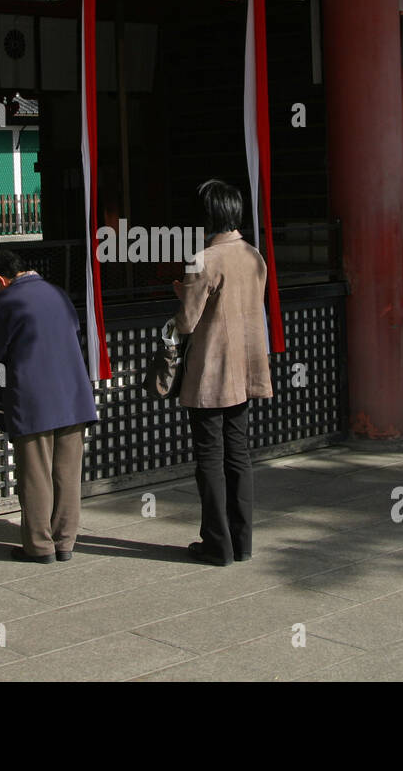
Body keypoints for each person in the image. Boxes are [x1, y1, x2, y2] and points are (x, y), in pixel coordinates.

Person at [173, 180, 273, 566]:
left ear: (208, 215)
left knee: (209, 458)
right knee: (239, 455)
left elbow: (187, 322)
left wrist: (182, 294)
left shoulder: (203, 259)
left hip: (211, 370)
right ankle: (242, 541)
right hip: (245, 366)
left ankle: (218, 544)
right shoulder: (253, 255)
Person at [0, 249, 97, 563]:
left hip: (33, 400)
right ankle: (65, 542)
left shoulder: (7, 300)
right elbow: (73, 333)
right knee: (67, 475)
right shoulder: (58, 293)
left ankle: (39, 546)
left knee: (36, 475)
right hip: (73, 396)